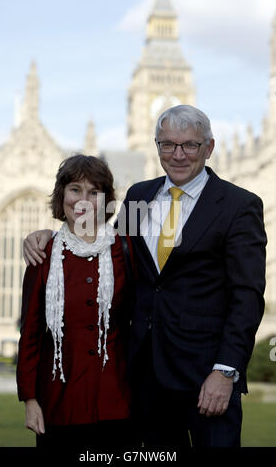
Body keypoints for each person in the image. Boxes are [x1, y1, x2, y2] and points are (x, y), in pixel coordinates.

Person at [23, 105, 267, 448]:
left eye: (189, 145)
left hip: (206, 377)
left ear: (208, 147)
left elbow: (247, 296)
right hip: (145, 379)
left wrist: (225, 370)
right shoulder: (139, 196)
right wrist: (49, 236)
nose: (177, 154)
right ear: (157, 147)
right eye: (167, 144)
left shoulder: (238, 205)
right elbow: (101, 247)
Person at [17, 154, 134, 453]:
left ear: (106, 200)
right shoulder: (43, 254)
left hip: (118, 402)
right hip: (59, 402)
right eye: (75, 190)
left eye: (94, 192)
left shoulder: (126, 248)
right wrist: (30, 400)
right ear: (62, 195)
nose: (83, 200)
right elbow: (31, 333)